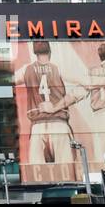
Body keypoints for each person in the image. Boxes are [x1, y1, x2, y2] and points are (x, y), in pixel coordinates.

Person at [14, 41, 76, 170]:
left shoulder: (26, 69)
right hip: (59, 124)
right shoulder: (58, 67)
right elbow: (85, 84)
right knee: (67, 172)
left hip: (38, 127)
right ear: (50, 52)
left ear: (35, 53)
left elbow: (3, 80)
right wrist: (56, 106)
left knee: (38, 174)